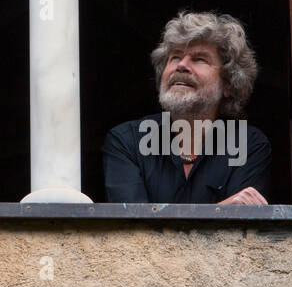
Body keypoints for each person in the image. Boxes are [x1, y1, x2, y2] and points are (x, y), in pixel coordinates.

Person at [103, 11, 272, 204]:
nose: (181, 65)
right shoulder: (127, 142)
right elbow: (134, 230)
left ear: (227, 84)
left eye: (200, 59)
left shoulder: (248, 146)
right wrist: (221, 211)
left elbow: (241, 229)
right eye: (175, 57)